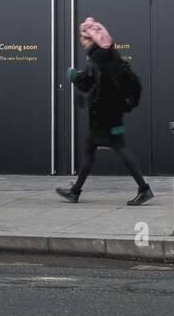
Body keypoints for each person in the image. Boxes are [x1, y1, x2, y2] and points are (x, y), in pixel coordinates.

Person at [56, 18, 153, 206]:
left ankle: (144, 188)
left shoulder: (97, 57)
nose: (81, 42)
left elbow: (88, 81)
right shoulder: (109, 53)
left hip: (104, 115)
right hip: (113, 112)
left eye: (83, 38)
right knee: (94, 148)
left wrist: (74, 76)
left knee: (114, 148)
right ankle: (75, 191)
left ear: (91, 38)